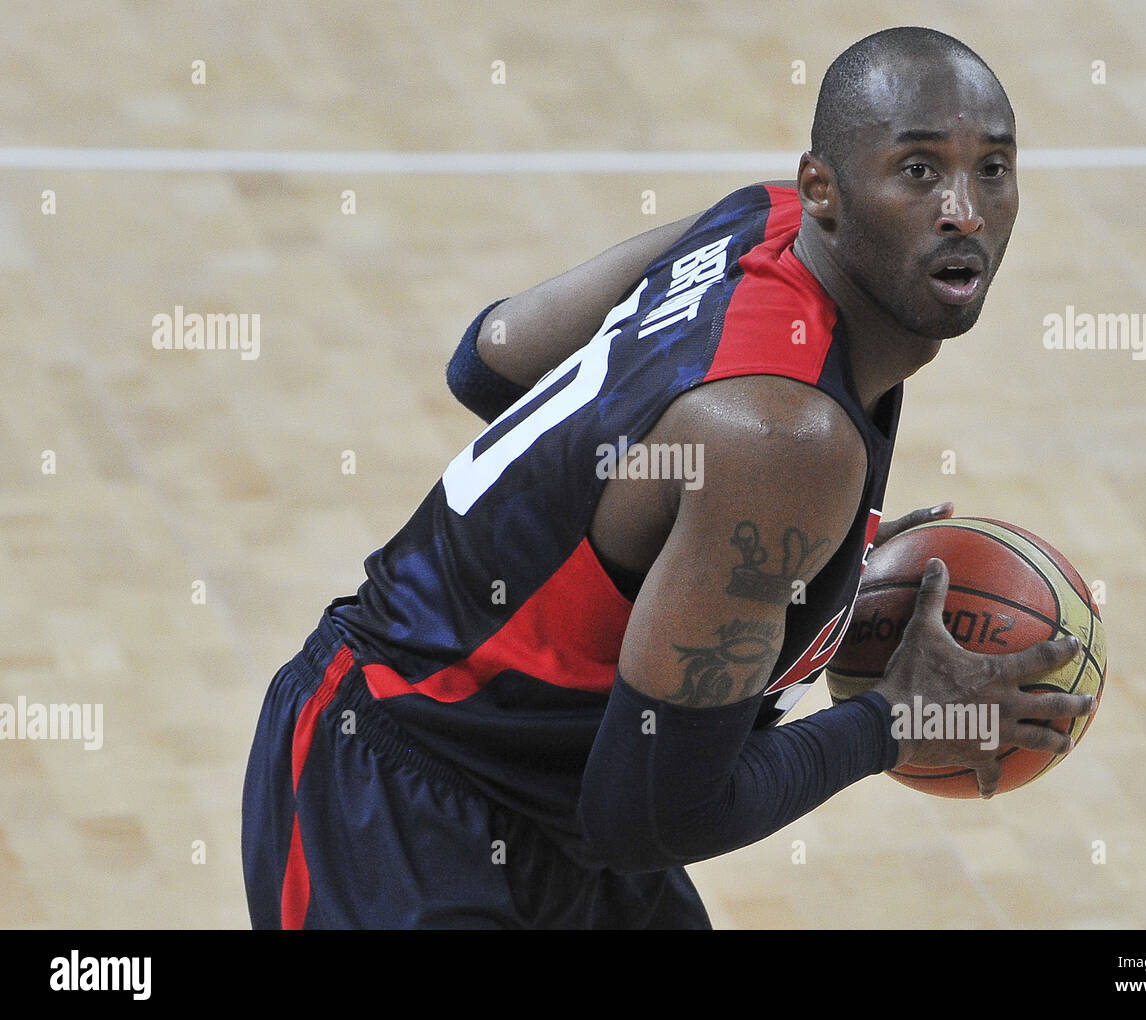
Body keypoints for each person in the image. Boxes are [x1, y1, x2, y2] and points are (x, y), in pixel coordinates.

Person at [242, 26, 1094, 930]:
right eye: (918, 171)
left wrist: (734, 564)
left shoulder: (754, 225)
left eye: (993, 168)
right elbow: (654, 815)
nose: (964, 208)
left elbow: (490, 359)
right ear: (824, 191)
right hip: (394, 806)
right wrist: (892, 720)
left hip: (556, 802)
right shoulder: (782, 439)